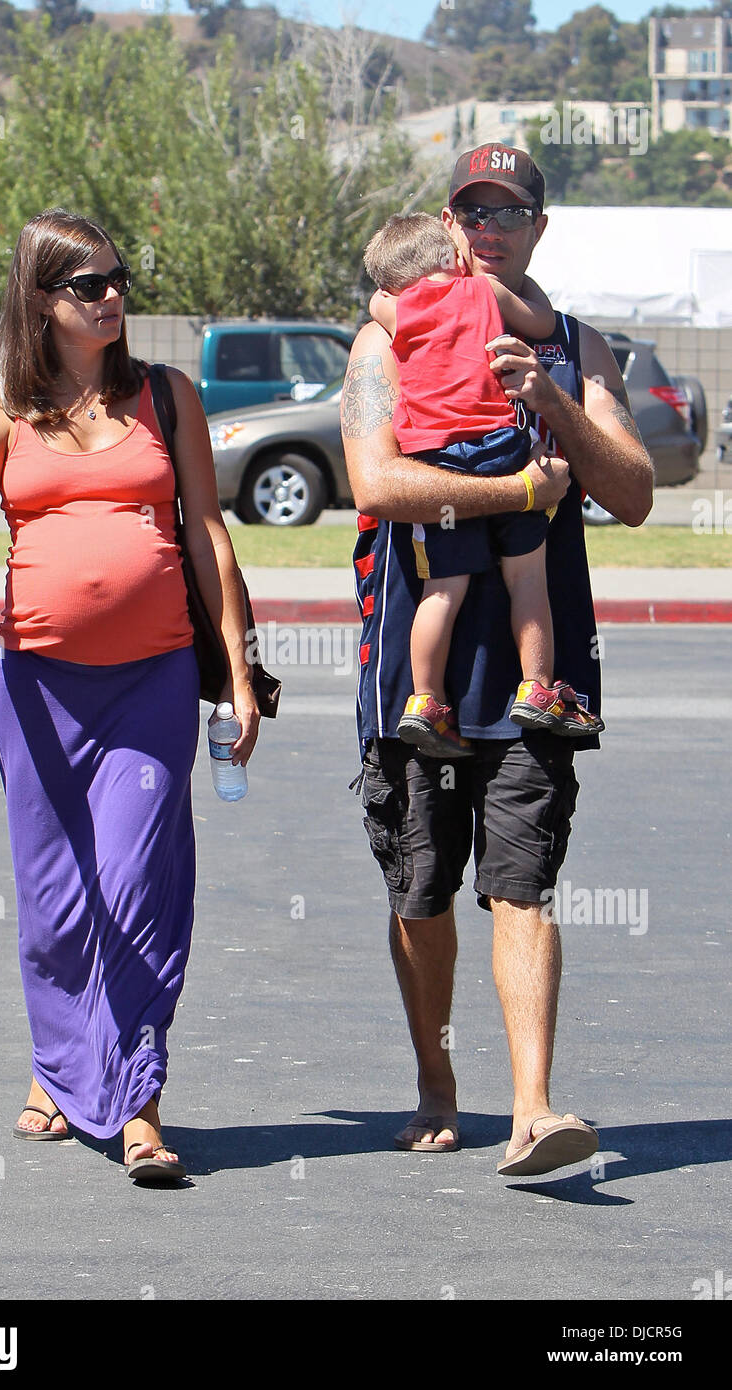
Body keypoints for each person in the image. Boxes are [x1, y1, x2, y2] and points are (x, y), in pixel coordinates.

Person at [0, 208, 259, 1184]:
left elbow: (207, 536)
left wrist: (238, 675)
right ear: (40, 298)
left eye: (118, 280)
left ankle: (140, 1106)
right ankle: (58, 1070)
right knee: (54, 901)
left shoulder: (168, 396)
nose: (111, 297)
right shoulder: (1, 411)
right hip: (36, 691)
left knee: (137, 886)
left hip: (151, 683)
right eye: (87, 285)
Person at [341, 145, 653, 1177]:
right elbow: (379, 486)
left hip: (536, 676)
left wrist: (551, 404)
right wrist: (519, 493)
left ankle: (532, 1108)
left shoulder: (570, 346)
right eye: (470, 210)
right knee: (420, 890)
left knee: (519, 883)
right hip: (419, 675)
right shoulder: (384, 336)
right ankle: (437, 1084)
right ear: (446, 219)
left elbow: (633, 490)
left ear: (537, 227)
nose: (487, 228)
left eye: (507, 211)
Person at [363, 212, 603, 758]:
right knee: (528, 579)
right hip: (499, 446)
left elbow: (378, 302)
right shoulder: (483, 291)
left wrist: (396, 290)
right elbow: (540, 321)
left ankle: (425, 701)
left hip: (437, 460)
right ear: (451, 253)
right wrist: (504, 284)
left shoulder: (396, 309)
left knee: (442, 590)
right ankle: (537, 687)